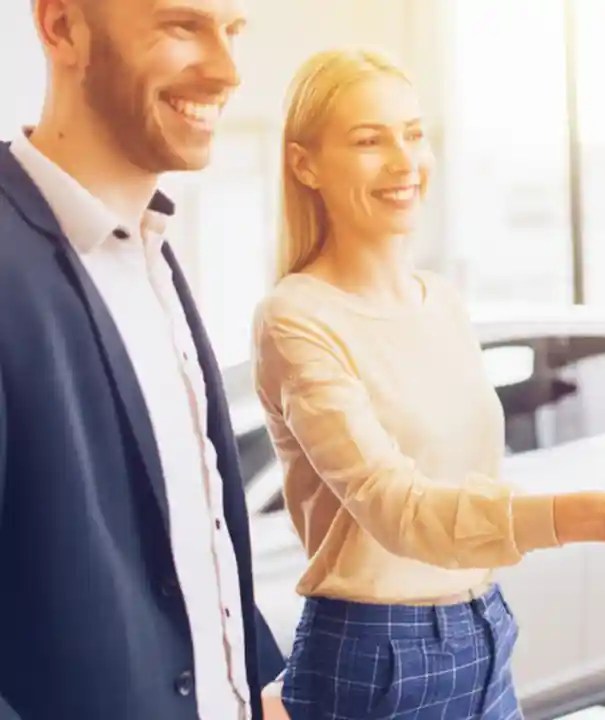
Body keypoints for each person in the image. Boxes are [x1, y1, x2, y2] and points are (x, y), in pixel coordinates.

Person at [252, 48, 605, 720]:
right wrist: (599, 516)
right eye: (370, 141)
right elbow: (396, 508)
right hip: (376, 656)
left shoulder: (442, 301)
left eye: (414, 133)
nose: (404, 162)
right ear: (304, 163)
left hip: (482, 627)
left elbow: (471, 484)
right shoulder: (297, 316)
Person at [0, 0, 286, 718]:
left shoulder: (153, 255)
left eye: (233, 31)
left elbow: (193, 561)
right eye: (181, 25)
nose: (226, 71)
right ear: (62, 26)